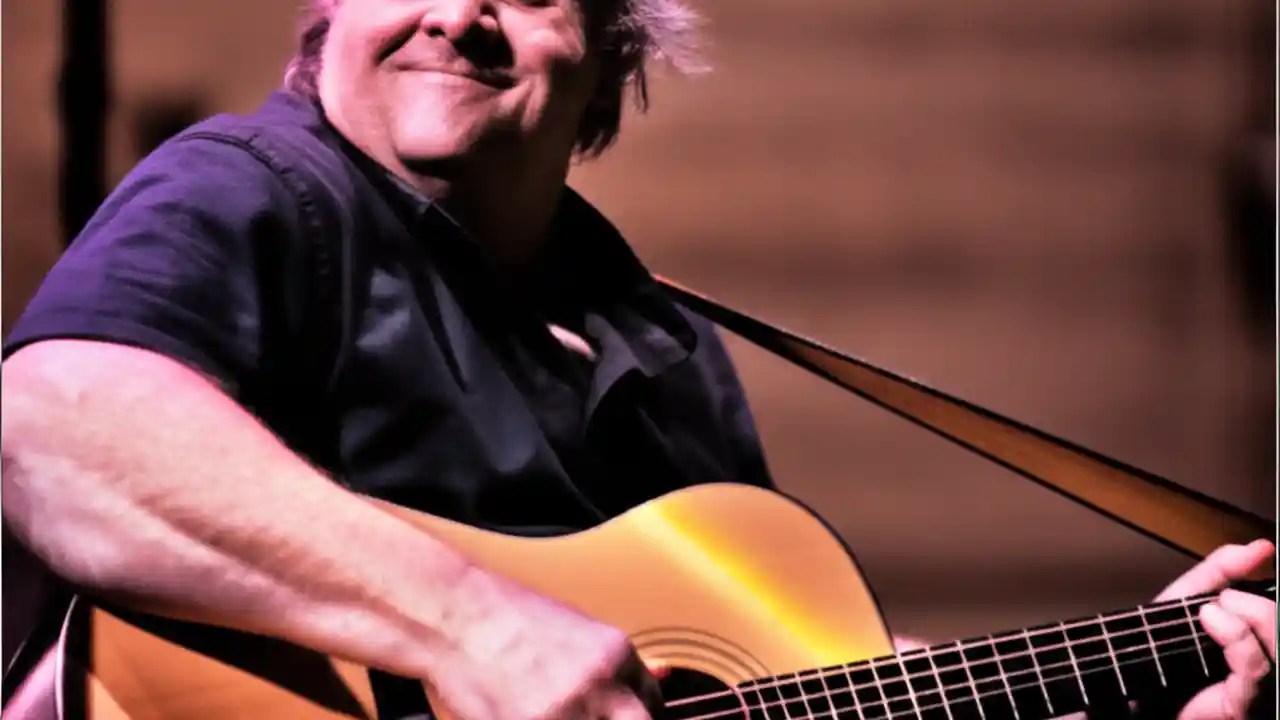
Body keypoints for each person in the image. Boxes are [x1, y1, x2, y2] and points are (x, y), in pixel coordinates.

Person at [1, 1, 1273, 718]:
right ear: (324, 17)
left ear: (614, 53)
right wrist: (468, 627)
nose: (456, 13)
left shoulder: (670, 360)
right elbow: (54, 421)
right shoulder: (257, 191)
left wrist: (1114, 684)